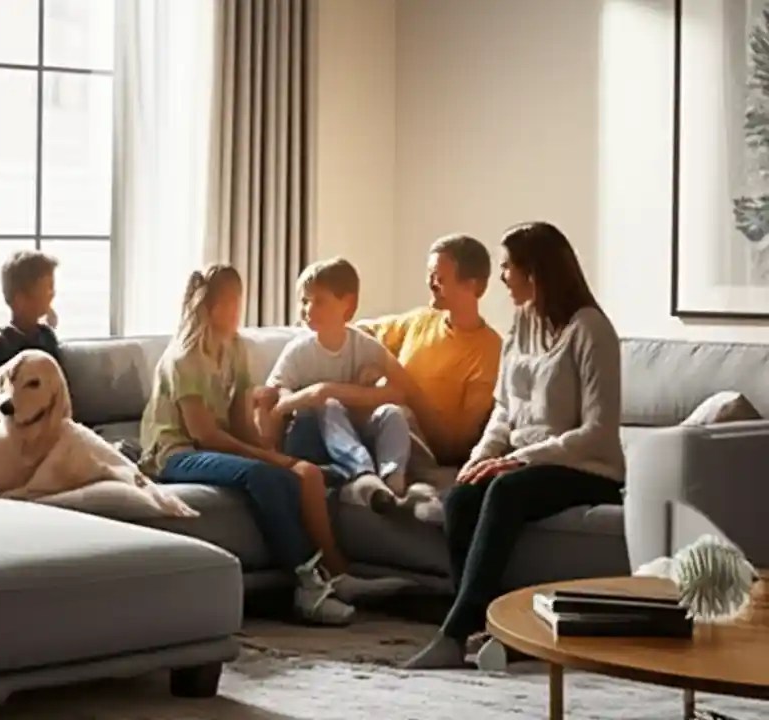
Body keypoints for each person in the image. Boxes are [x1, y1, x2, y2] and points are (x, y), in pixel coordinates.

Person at [403, 221, 626, 669]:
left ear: (535, 271)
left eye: (507, 266)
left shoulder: (590, 330)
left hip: (586, 469)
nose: (502, 277)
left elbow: (598, 431)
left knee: (506, 490)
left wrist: (518, 460)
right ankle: (490, 628)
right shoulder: (522, 323)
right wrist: (480, 459)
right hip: (524, 464)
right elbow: (503, 410)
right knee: (461, 497)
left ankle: (454, 632)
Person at [139, 263, 408, 626]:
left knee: (302, 474)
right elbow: (204, 435)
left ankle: (338, 573)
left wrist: (278, 456)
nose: (237, 310)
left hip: (213, 449)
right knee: (265, 476)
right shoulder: (184, 358)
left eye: (238, 300)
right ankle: (307, 587)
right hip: (177, 455)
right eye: (230, 302)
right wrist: (271, 462)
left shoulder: (236, 350)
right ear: (209, 307)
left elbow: (239, 424)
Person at [256, 258, 418, 514]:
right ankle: (363, 474)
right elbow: (276, 401)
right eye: (304, 301)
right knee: (328, 406)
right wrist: (318, 394)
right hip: (311, 439)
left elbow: (401, 391)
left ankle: (392, 481)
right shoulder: (299, 351)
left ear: (348, 305)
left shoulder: (364, 345)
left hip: (354, 433)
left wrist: (340, 391)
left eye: (319, 301)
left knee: (392, 413)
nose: (308, 309)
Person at [354, 234, 502, 467]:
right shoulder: (421, 320)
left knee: (397, 414)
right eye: (430, 275)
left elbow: (455, 446)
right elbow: (362, 331)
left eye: (439, 278)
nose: (430, 283)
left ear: (472, 285)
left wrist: (402, 382)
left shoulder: (489, 350)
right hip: (377, 420)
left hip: (421, 446)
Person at [0, 250, 62, 375]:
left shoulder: (46, 335)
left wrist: (45, 305)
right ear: (20, 300)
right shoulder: (3, 341)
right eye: (48, 287)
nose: (52, 293)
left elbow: (52, 319)